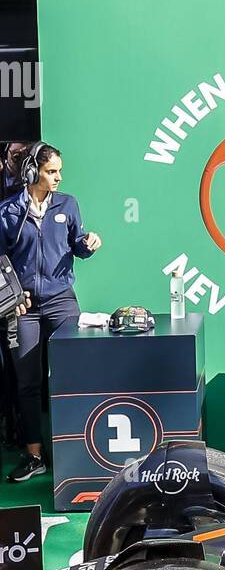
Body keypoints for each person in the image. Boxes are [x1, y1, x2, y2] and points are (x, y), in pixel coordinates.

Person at [0, 142, 102, 482]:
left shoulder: (67, 204)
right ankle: (34, 455)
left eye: (59, 170)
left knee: (72, 377)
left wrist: (88, 244)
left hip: (61, 301)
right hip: (24, 308)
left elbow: (76, 245)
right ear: (32, 173)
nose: (58, 177)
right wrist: (13, 296)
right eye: (51, 171)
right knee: (27, 383)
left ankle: (76, 451)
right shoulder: (9, 212)